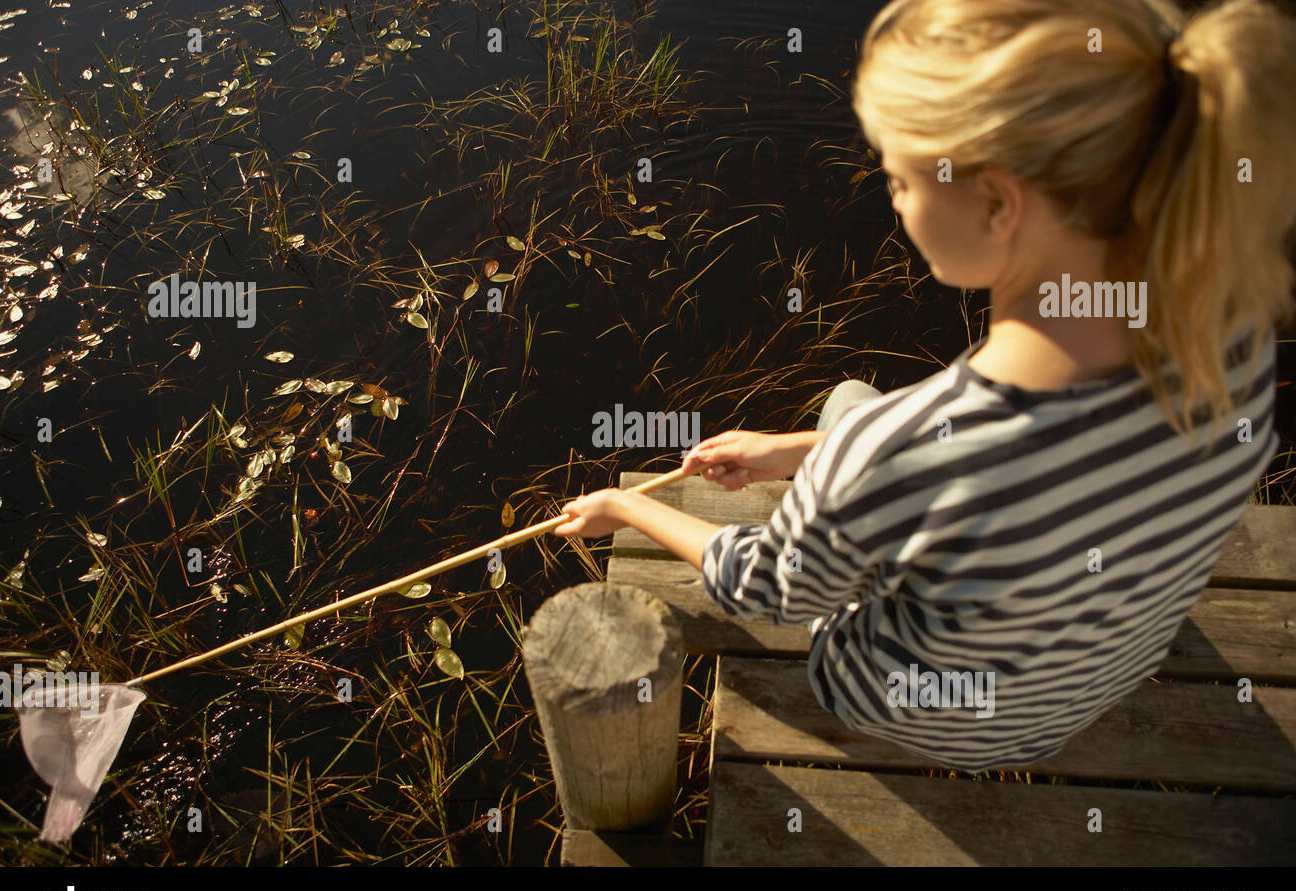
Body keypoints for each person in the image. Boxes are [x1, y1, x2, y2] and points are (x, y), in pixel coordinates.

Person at [553, 0, 1294, 770]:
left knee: (848, 401)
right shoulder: (1234, 343)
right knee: (849, 426)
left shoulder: (887, 450)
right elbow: (980, 455)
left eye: (902, 178)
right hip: (1090, 681)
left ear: (1000, 204)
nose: (897, 199)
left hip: (939, 716)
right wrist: (800, 453)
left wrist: (627, 507)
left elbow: (761, 589)